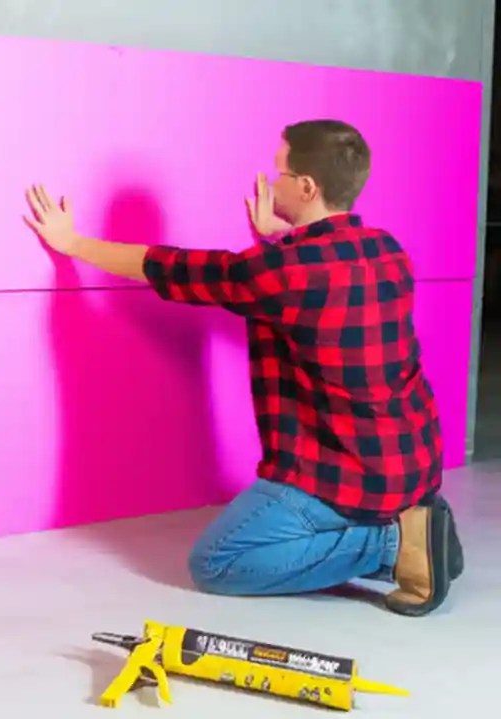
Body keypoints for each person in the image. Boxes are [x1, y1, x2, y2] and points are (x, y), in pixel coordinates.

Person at [23, 119, 463, 616]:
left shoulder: (283, 272)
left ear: (306, 187)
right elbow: (320, 279)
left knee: (219, 562)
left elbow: (171, 267)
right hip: (414, 460)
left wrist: (75, 244)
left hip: (345, 472)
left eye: (279, 173)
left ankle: (397, 546)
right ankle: (413, 528)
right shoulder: (386, 250)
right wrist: (283, 236)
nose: (271, 182)